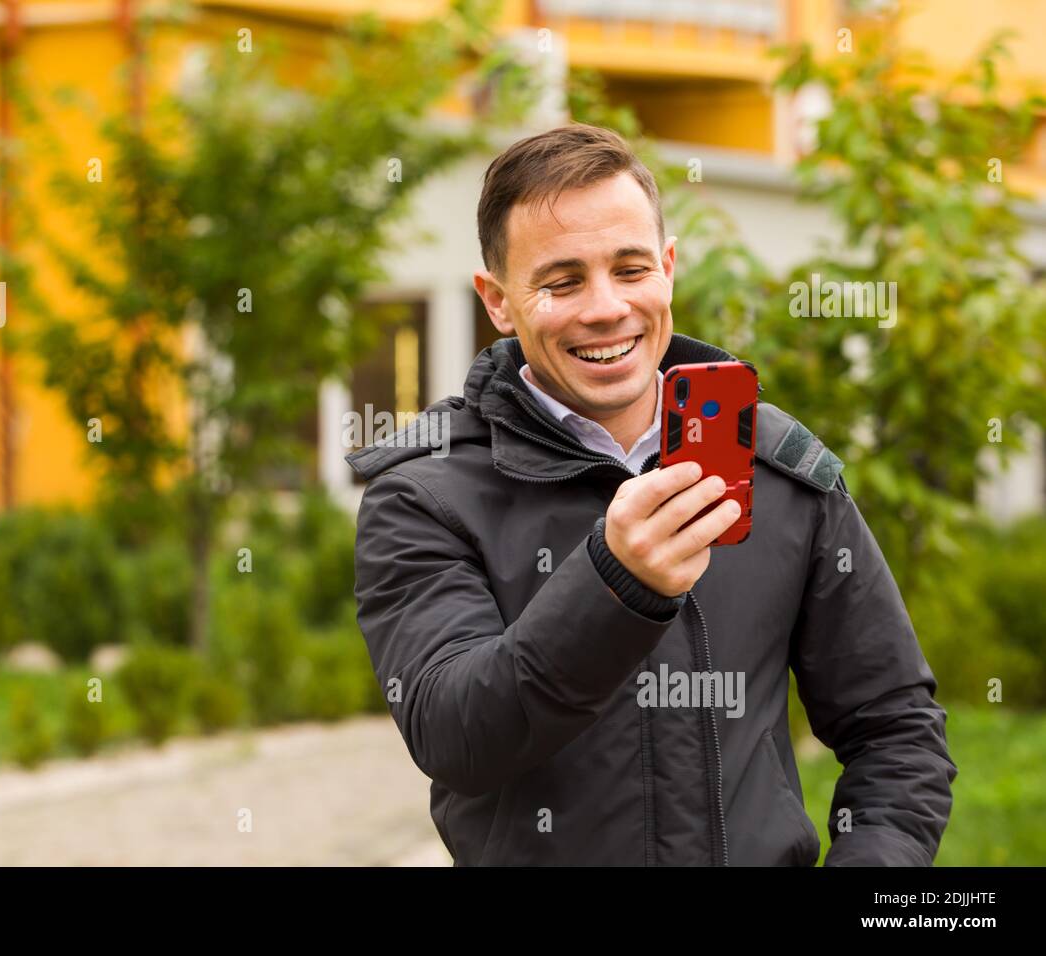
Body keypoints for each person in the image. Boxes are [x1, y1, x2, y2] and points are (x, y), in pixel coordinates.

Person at [346, 123, 956, 865]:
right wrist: (613, 584)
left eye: (630, 269)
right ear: (498, 300)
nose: (605, 308)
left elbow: (894, 726)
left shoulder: (779, 469)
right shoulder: (423, 494)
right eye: (562, 281)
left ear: (668, 268)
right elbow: (455, 736)